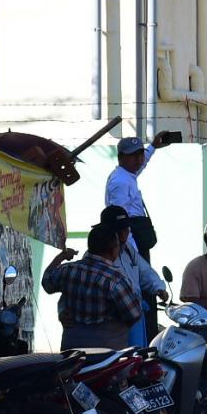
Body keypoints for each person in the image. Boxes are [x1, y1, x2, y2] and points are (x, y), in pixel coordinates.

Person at [42, 223, 145, 351]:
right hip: (106, 355)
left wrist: (61, 257)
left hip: (72, 352)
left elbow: (46, 282)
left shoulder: (68, 270)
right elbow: (134, 315)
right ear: (113, 249)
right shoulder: (116, 281)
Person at [99, 205, 169, 347]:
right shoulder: (99, 253)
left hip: (134, 314)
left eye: (126, 229)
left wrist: (158, 287)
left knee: (135, 357)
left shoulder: (129, 250)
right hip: (112, 319)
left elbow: (145, 272)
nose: (125, 233)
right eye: (120, 230)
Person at [105, 133, 177, 261]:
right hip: (132, 241)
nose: (138, 159)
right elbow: (120, 221)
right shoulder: (121, 181)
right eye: (133, 155)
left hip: (136, 237)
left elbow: (143, 163)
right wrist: (133, 253)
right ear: (121, 157)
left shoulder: (127, 173)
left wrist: (153, 146)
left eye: (140, 154)